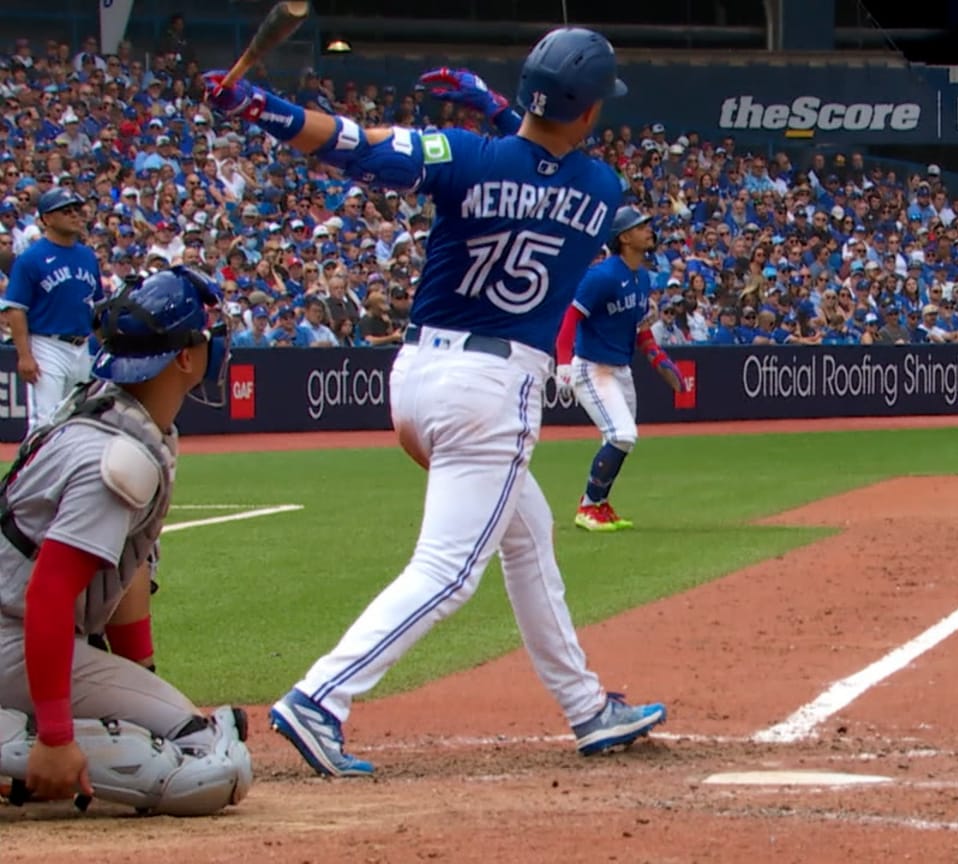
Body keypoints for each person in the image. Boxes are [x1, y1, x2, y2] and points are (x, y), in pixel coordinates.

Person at [200, 28, 667, 779]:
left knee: (529, 537)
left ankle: (586, 708)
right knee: (449, 570)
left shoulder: (465, 155)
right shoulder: (601, 189)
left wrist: (260, 107)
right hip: (492, 391)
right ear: (588, 112)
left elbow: (357, 146)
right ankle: (320, 697)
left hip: (417, 377)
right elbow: (539, 163)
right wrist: (489, 105)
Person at [0, 265, 252, 817]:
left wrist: (140, 682)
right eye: (203, 335)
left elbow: (126, 569)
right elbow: (47, 595)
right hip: (12, 638)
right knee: (209, 764)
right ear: (183, 357)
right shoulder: (115, 457)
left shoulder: (114, 413)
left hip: (24, 633)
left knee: (182, 727)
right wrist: (58, 738)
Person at [554, 206, 684, 532]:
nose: (648, 231)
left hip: (620, 369)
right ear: (624, 237)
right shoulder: (602, 276)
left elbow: (639, 330)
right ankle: (587, 508)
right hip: (593, 367)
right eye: (641, 227)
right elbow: (570, 319)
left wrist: (661, 362)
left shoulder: (642, 277)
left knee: (620, 439)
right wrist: (563, 362)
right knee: (622, 434)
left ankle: (599, 503)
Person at [2, 186, 103, 434]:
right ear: (46, 219)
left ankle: (70, 473)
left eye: (76, 210)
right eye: (66, 211)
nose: (75, 215)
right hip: (47, 344)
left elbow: (97, 306)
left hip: (81, 346)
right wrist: (25, 355)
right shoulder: (31, 258)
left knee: (78, 422)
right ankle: (34, 473)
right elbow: (16, 310)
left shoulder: (87, 256)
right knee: (46, 423)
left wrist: (104, 344)